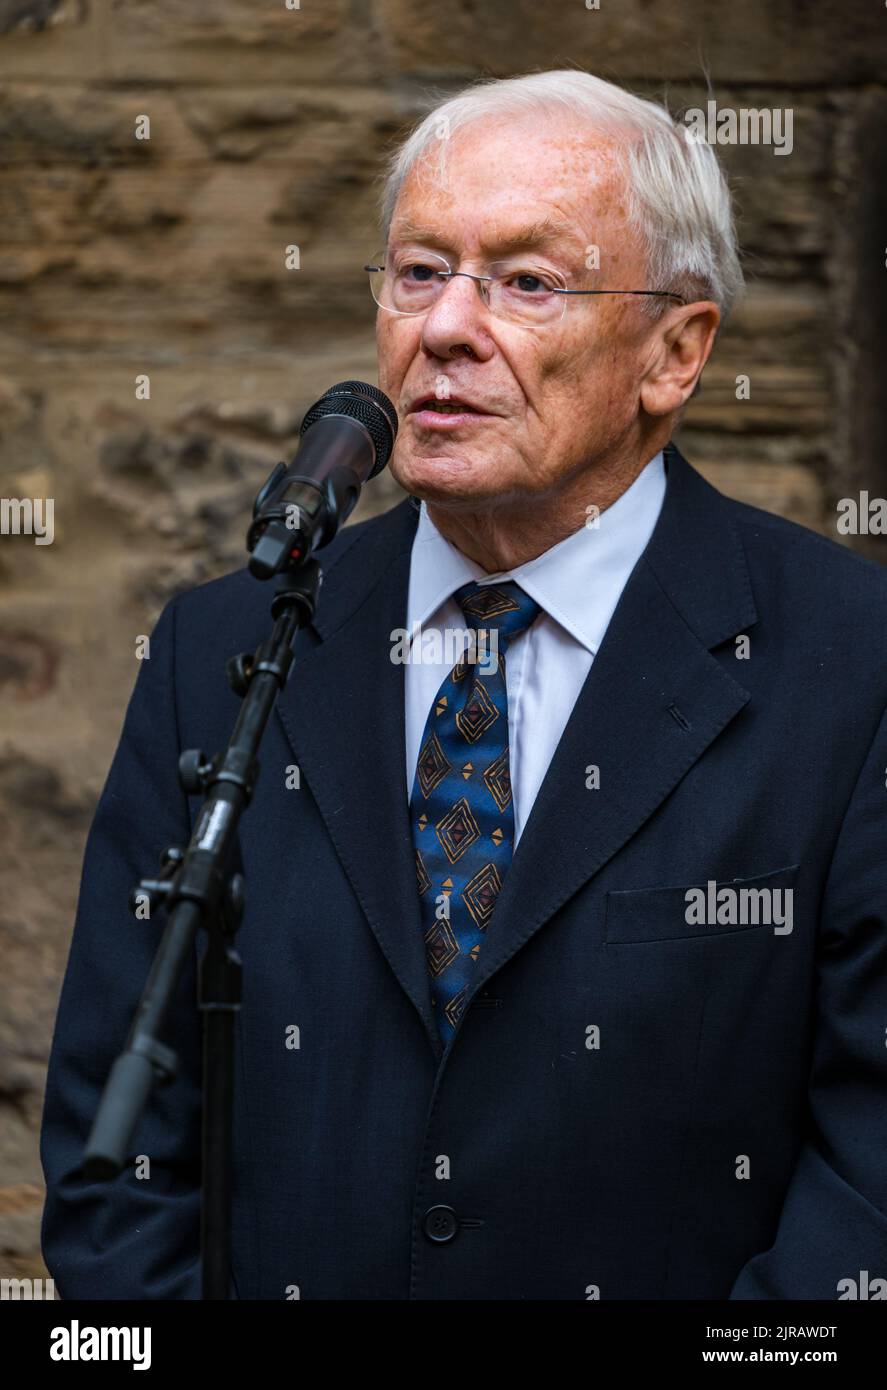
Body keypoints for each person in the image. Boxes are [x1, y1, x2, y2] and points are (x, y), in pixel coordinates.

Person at [41, 69, 887, 1300]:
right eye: (418, 270)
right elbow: (116, 1135)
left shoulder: (846, 662)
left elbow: (867, 1170)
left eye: (527, 282)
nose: (443, 327)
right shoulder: (226, 646)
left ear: (674, 351)